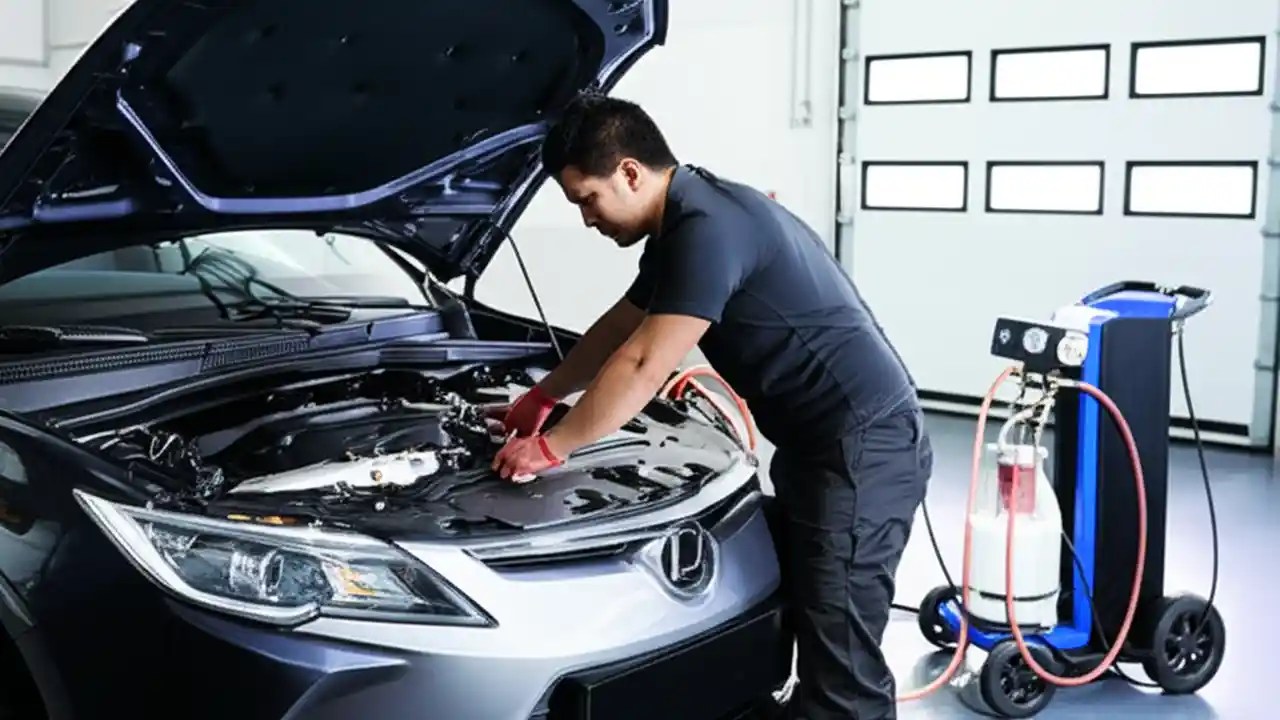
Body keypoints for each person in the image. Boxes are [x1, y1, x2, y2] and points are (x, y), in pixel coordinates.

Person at [490, 92, 933, 720]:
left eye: (587, 199)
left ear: (630, 173)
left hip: (865, 449)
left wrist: (551, 447)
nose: (588, 220)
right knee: (811, 620)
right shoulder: (683, 226)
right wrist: (543, 397)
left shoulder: (709, 229)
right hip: (821, 447)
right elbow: (618, 330)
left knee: (843, 669)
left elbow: (646, 363)